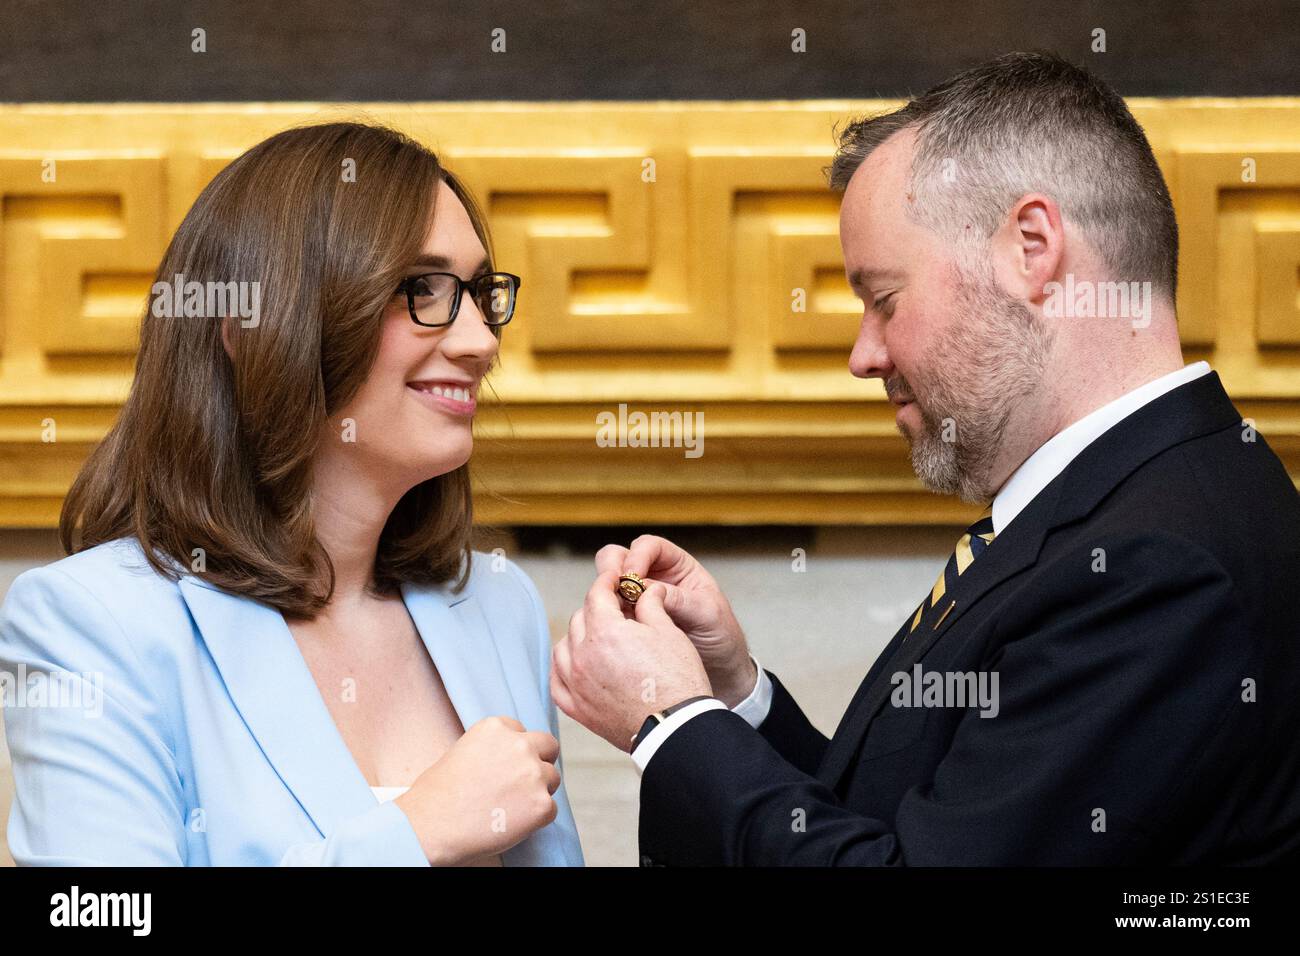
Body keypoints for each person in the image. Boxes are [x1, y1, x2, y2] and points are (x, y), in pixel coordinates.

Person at [551, 52, 1300, 865]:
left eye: (884, 299)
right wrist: (735, 696)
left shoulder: (1152, 566)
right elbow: (929, 823)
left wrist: (671, 723)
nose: (863, 354)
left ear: (1031, 248)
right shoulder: (1129, 498)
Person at [0, 121, 583, 866]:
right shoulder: (88, 623)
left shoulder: (500, 606)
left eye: (476, 293)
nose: (480, 341)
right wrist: (415, 835)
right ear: (258, 326)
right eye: (422, 290)